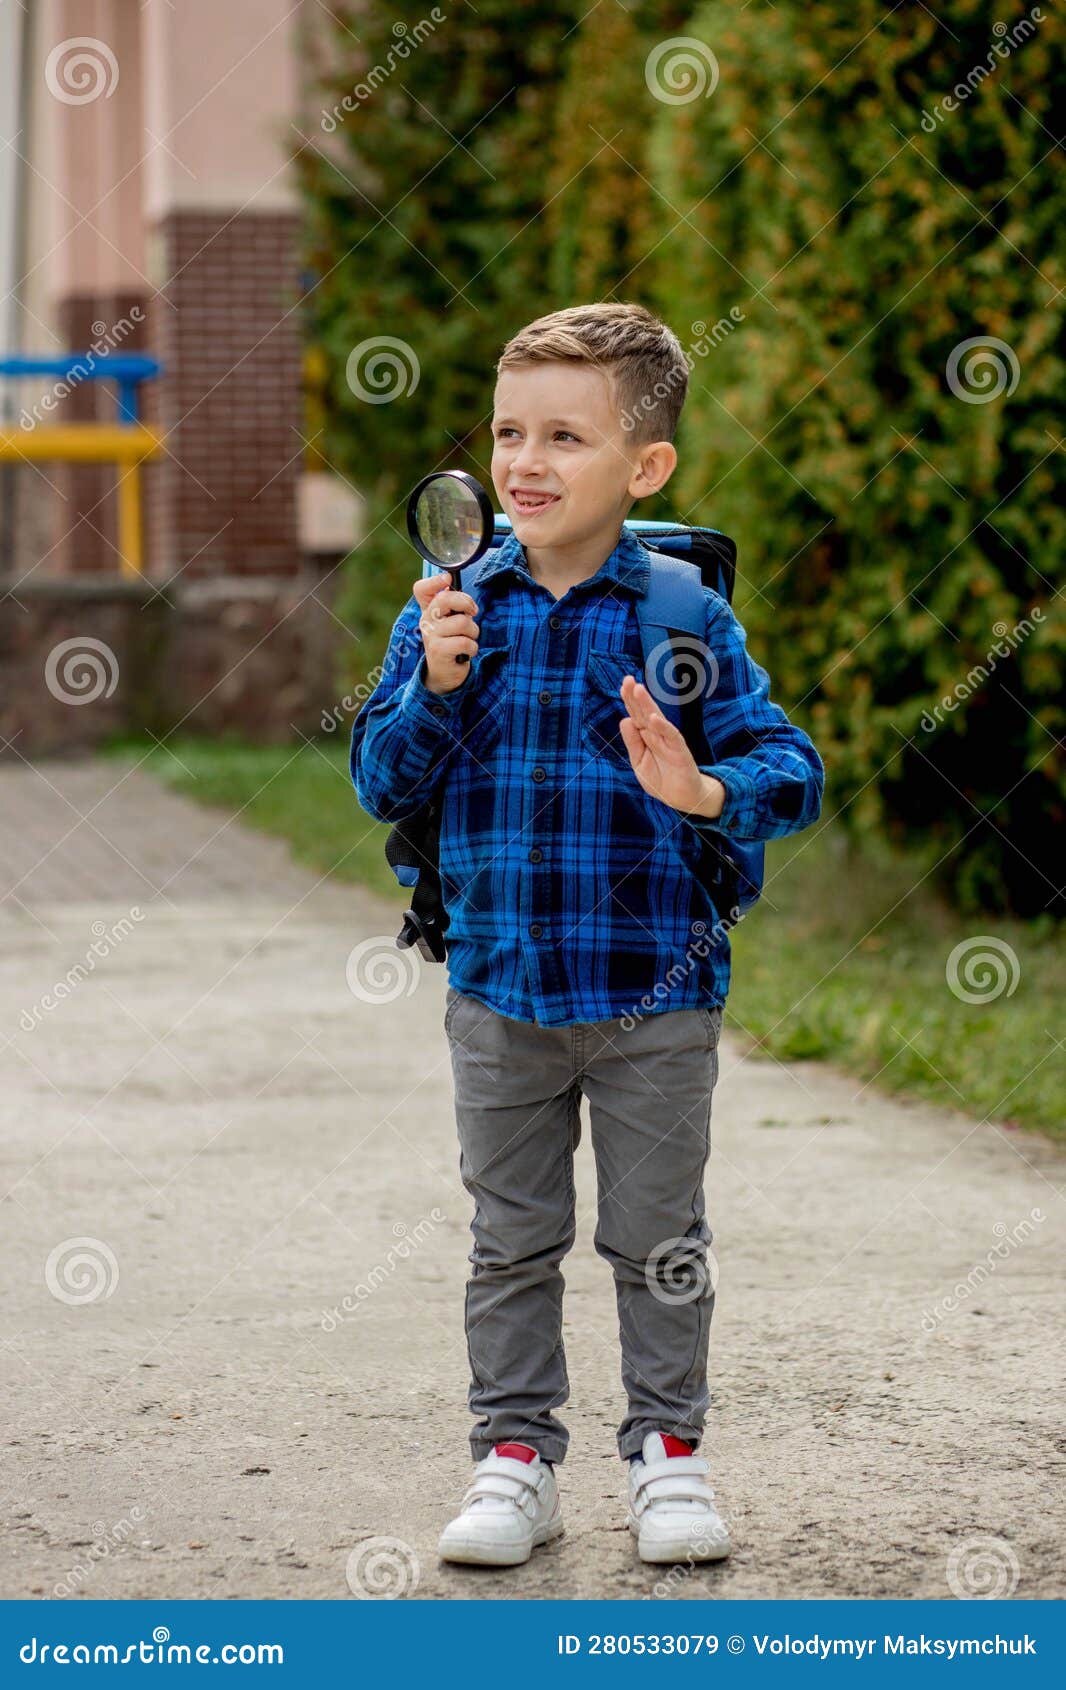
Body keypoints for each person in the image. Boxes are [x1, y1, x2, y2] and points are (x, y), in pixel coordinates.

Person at [350, 302, 824, 1569]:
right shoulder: (450, 610)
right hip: (500, 990)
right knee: (510, 1239)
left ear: (645, 466)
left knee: (659, 1240)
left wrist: (706, 792)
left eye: (566, 434)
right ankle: (514, 1459)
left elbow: (793, 765)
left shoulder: (683, 618)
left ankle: (667, 1454)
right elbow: (381, 783)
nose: (525, 462)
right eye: (509, 431)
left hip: (655, 995)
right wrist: (435, 690)